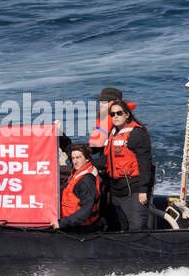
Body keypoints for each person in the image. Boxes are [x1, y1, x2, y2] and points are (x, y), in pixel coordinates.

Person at [96, 99, 153, 231]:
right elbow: (107, 159)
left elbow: (145, 163)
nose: (115, 116)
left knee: (137, 226)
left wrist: (143, 190)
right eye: (112, 114)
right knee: (121, 225)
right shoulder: (113, 133)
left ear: (127, 114)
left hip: (133, 189)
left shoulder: (136, 133)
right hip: (116, 188)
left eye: (119, 113)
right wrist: (86, 161)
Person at [52, 143, 101, 230]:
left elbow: (86, 210)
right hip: (70, 221)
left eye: (78, 157)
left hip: (78, 226)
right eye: (73, 158)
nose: (75, 161)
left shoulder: (86, 181)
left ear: (87, 159)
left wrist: (62, 223)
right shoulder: (80, 169)